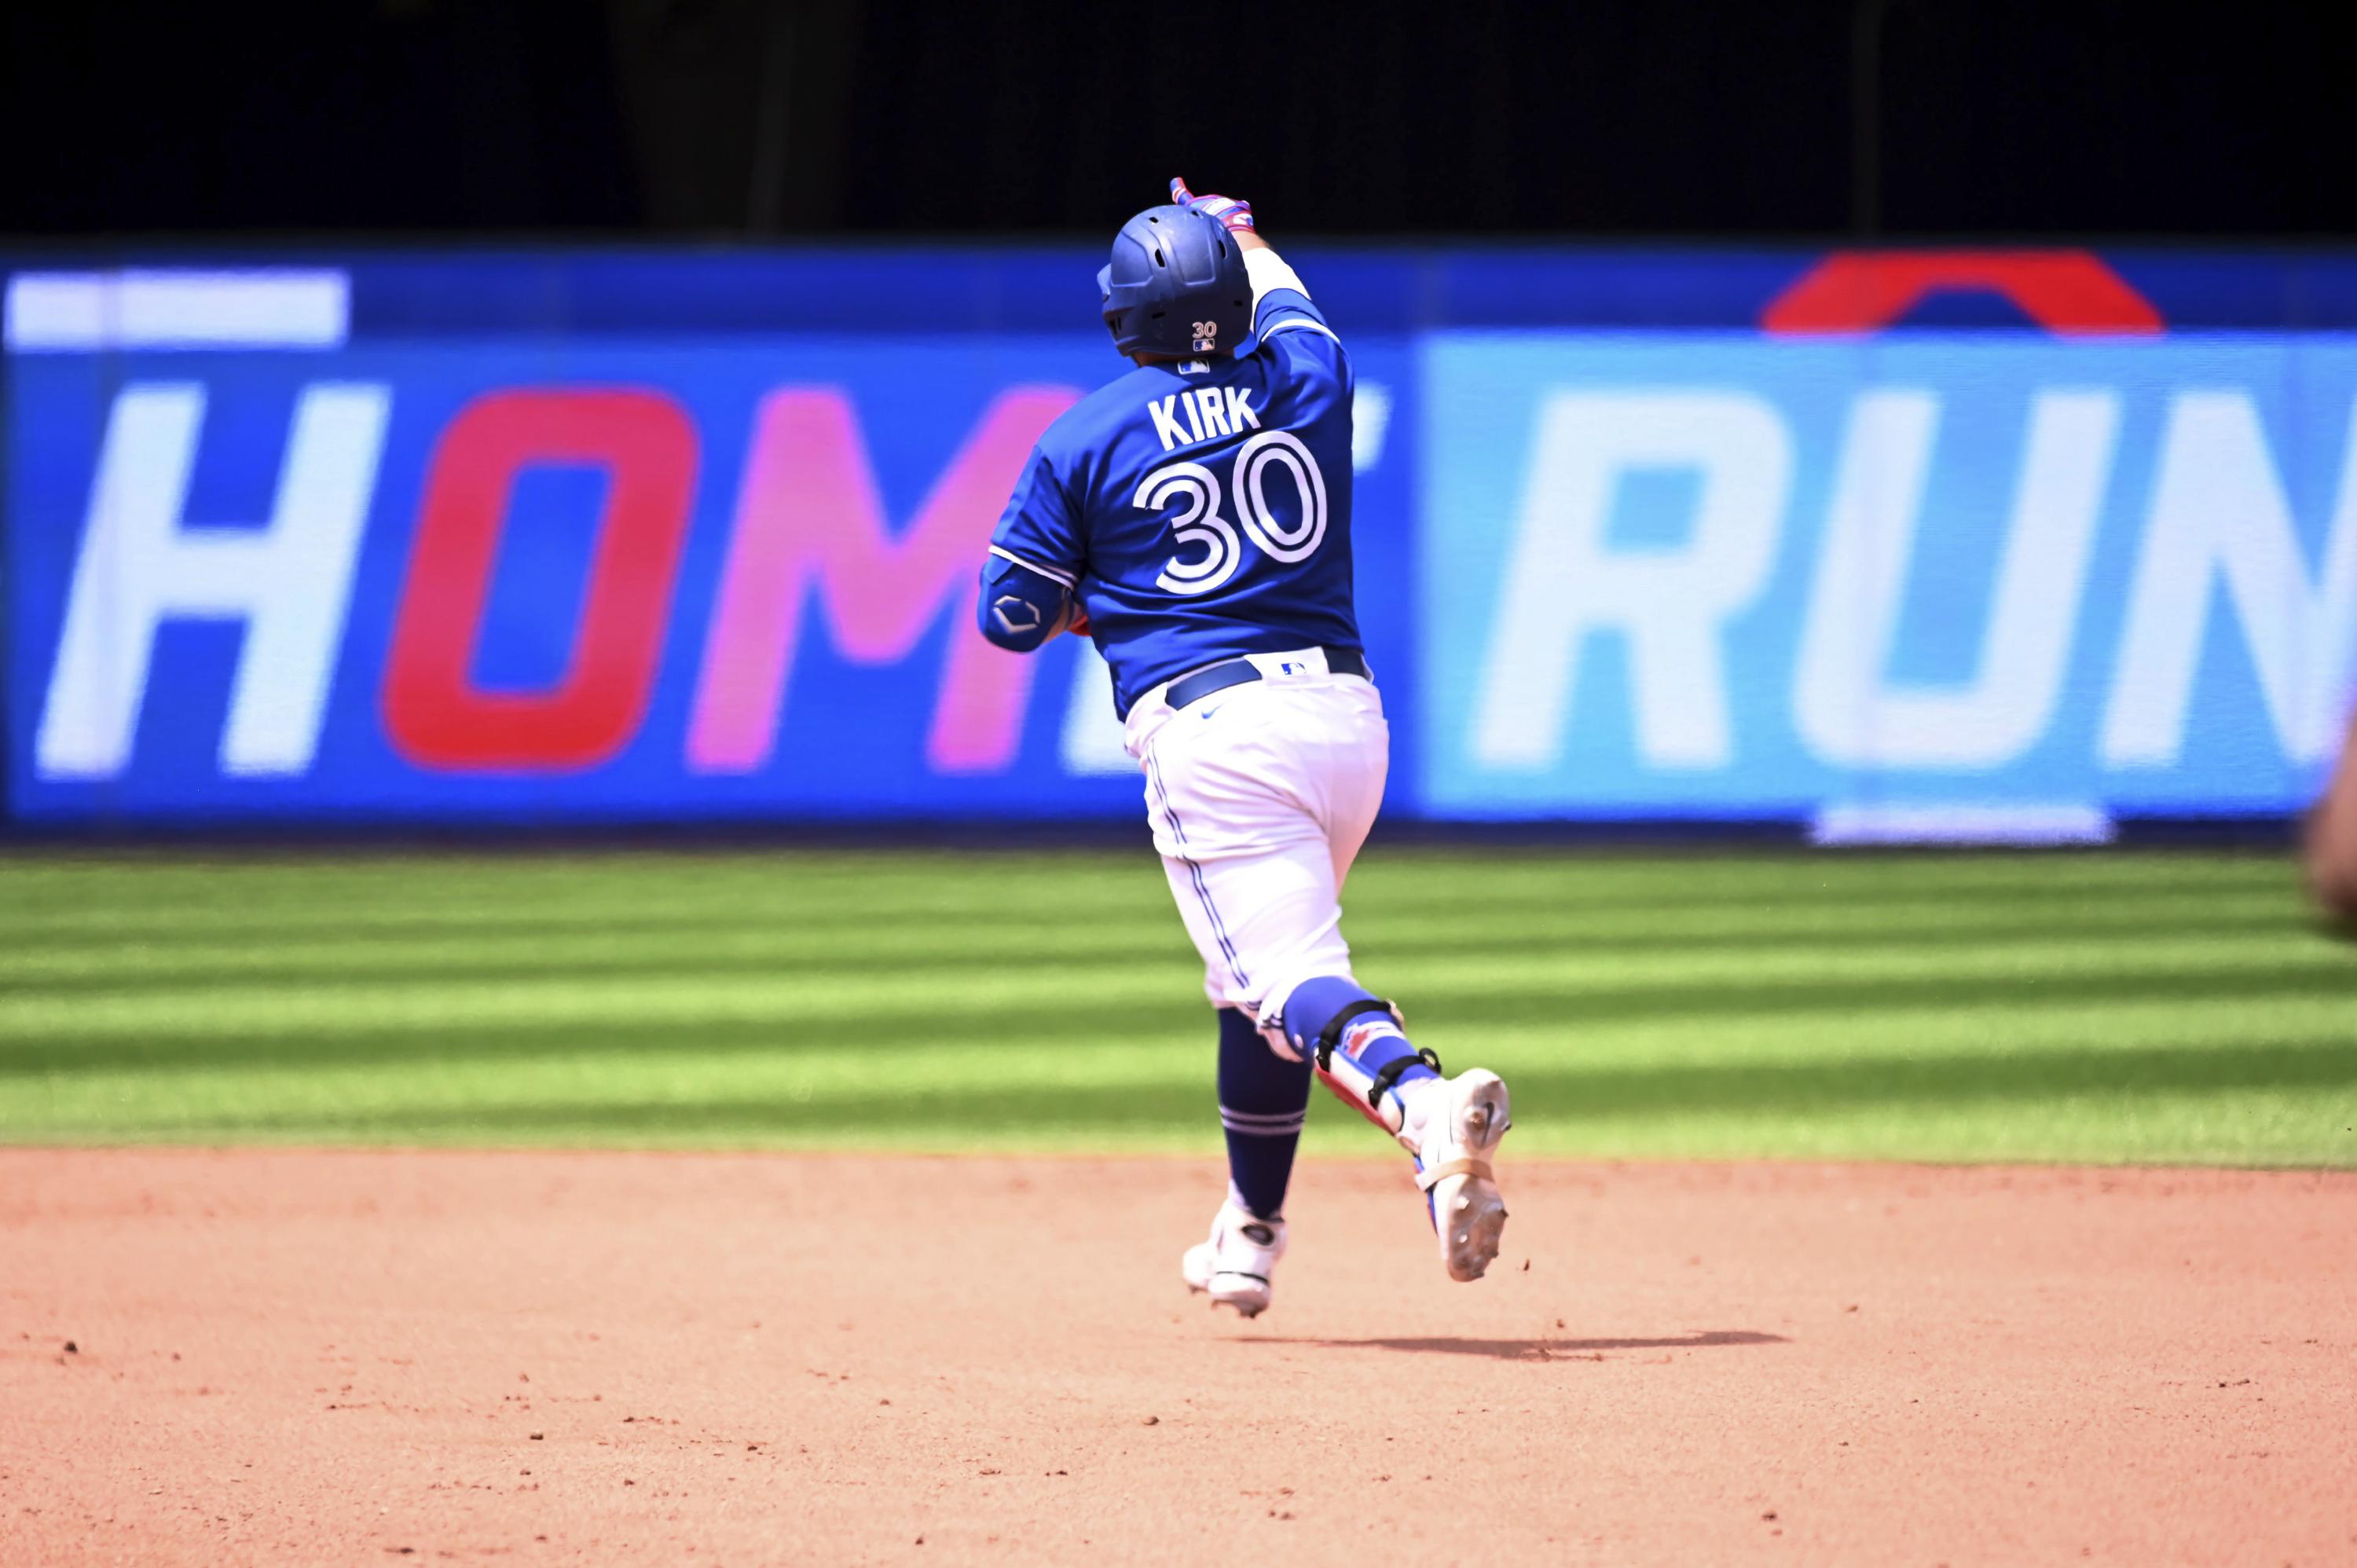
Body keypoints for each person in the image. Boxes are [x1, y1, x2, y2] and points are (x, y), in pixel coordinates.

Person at [975, 178, 1512, 1316]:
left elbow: (1008, 618)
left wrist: (1102, 598)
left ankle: (1422, 1107)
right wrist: (1243, 233)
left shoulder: (1083, 437)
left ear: (1122, 317)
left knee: (1290, 984)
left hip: (1217, 735)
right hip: (1344, 723)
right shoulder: (1307, 378)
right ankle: (1250, 1231)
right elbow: (1296, 309)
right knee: (1252, 985)